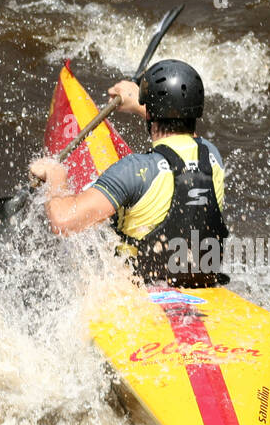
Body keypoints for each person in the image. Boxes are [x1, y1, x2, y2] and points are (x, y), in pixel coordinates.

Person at [28, 59, 229, 287]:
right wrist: (139, 103)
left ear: (152, 115)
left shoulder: (134, 170)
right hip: (200, 282)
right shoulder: (212, 157)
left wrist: (56, 177)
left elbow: (63, 222)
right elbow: (180, 135)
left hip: (139, 290)